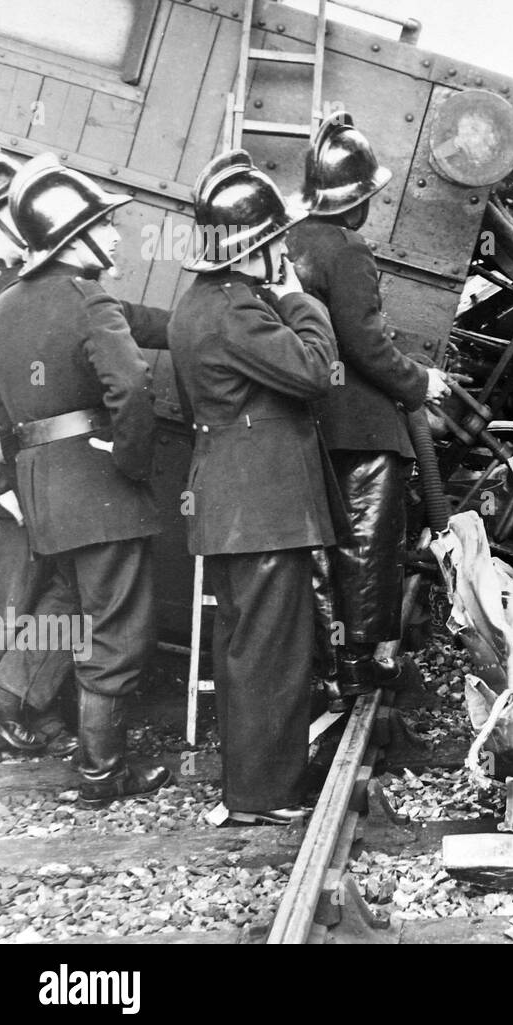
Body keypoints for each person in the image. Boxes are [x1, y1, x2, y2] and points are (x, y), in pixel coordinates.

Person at [0, 154, 170, 804]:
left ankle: (8, 692)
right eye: (103, 225)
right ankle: (101, 776)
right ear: (75, 239)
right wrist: (129, 467)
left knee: (71, 609)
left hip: (43, 496)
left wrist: (16, 478)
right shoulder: (86, 298)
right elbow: (132, 386)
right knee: (116, 633)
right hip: (99, 492)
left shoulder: (6, 305)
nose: (117, 236)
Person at [168, 150, 337, 825]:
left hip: (231, 505)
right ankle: (264, 796)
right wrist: (299, 295)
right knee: (272, 653)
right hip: (263, 510)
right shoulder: (240, 311)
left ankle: (252, 788)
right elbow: (316, 369)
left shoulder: (197, 305)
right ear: (259, 247)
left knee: (247, 648)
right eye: (276, 241)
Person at [287, 113, 449, 708]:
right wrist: (420, 381)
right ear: (359, 200)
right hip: (362, 426)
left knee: (323, 552)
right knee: (364, 548)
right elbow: (364, 343)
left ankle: (330, 670)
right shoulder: (348, 248)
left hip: (312, 424)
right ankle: (360, 669)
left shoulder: (292, 240)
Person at [0, 146, 79, 757]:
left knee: (35, 589)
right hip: (1, 475)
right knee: (11, 594)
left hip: (23, 468)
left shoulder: (12, 281)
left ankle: (13, 697)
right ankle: (5, 705)